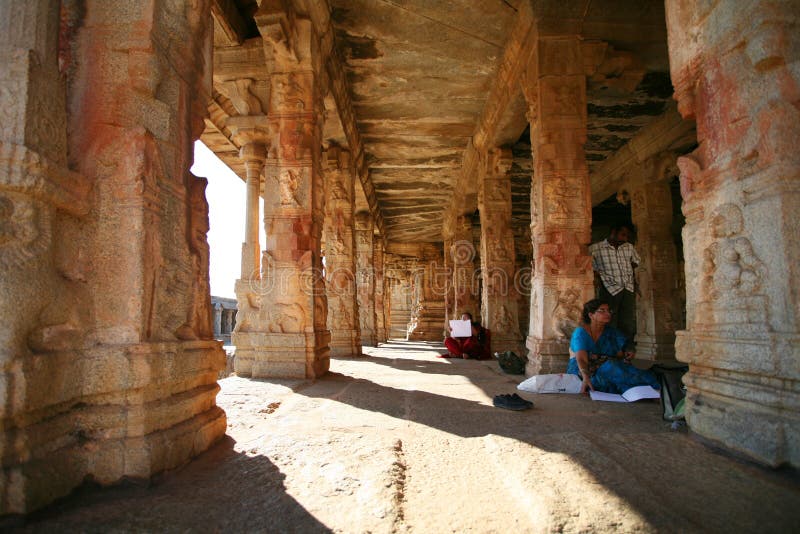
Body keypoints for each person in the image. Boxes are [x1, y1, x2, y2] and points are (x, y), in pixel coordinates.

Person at [566, 299, 660, 394]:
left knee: (629, 372)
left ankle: (652, 391)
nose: (607, 313)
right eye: (602, 310)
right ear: (591, 315)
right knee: (612, 374)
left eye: (609, 310)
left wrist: (629, 350)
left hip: (608, 365)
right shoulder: (580, 332)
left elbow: (626, 344)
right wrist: (585, 377)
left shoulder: (611, 332)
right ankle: (652, 390)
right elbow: (581, 359)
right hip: (584, 369)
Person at [589, 224, 640, 342]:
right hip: (609, 287)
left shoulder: (629, 247)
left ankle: (625, 347)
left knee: (627, 319)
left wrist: (627, 270)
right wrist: (599, 275)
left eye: (627, 235)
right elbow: (588, 262)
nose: (625, 238)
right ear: (613, 232)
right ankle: (610, 346)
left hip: (627, 287)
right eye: (623, 235)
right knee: (608, 318)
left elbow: (636, 261)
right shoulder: (596, 248)